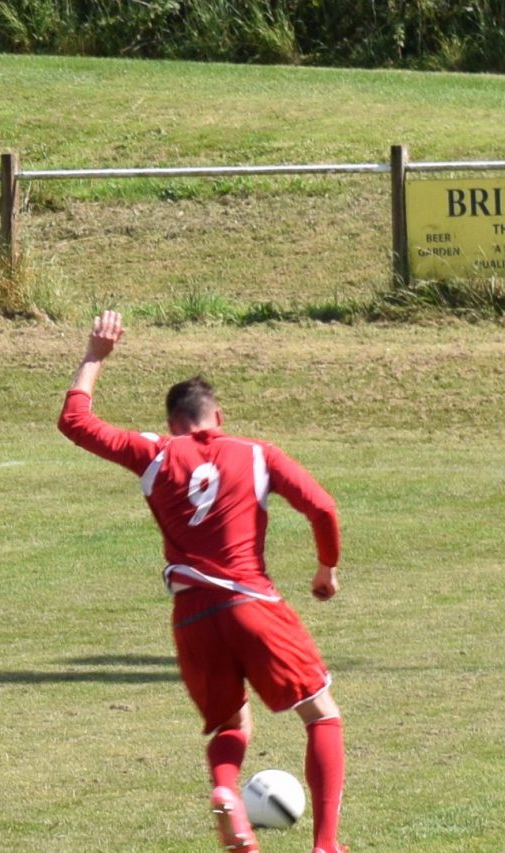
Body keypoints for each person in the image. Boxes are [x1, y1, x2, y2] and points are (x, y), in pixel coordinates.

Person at [57, 311, 346, 853]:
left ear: (172, 424)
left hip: (192, 616)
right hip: (251, 602)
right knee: (321, 713)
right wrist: (326, 568)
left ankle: (225, 790)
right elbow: (323, 507)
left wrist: (95, 356)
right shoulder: (258, 453)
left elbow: (75, 422)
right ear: (219, 416)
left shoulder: (155, 454)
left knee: (232, 724)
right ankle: (327, 845)